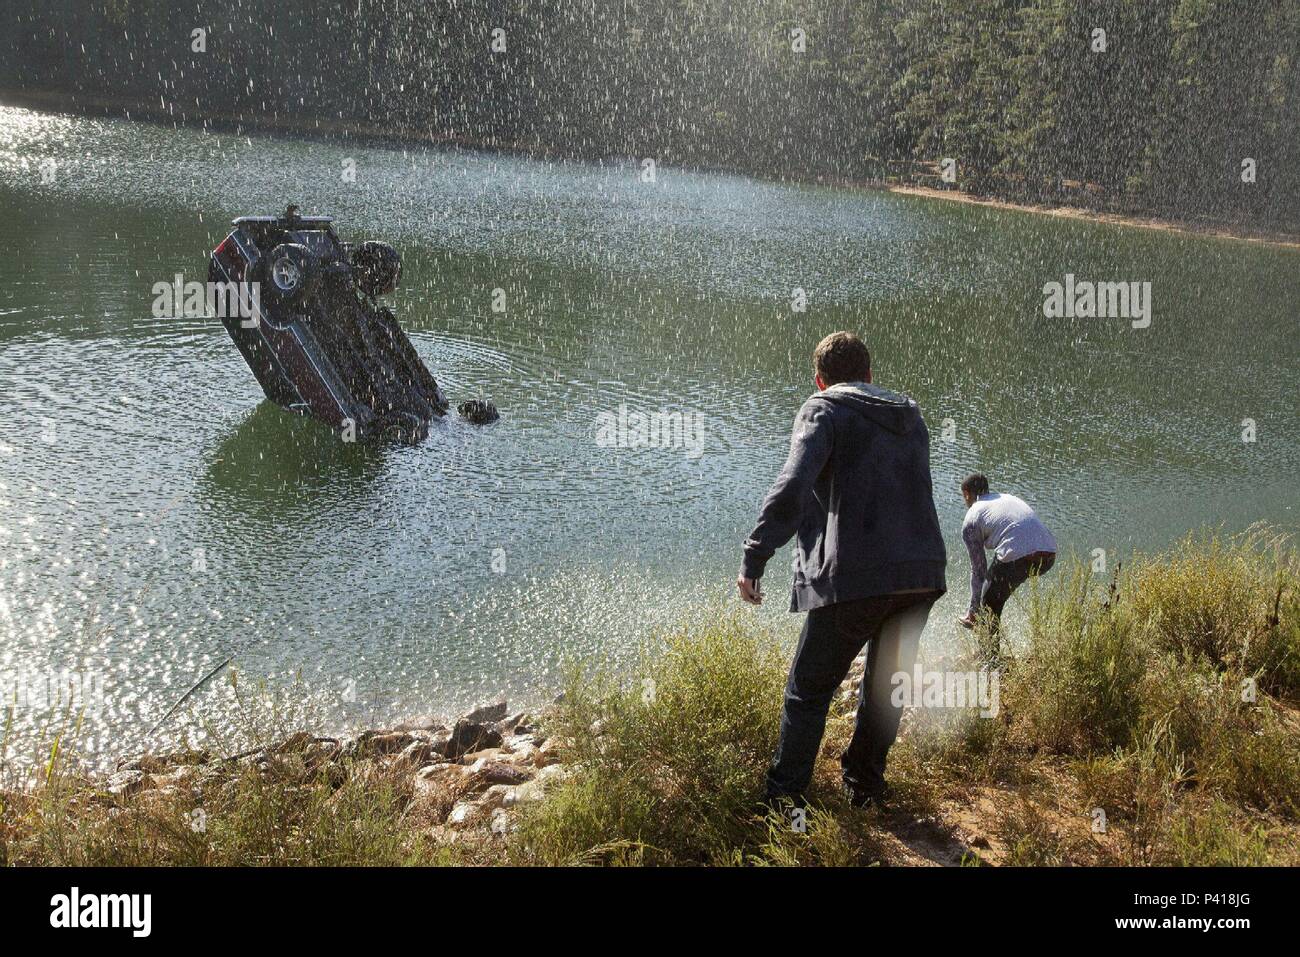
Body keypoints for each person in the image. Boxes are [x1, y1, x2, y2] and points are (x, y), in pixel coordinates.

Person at [737, 331, 947, 809]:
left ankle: (785, 801)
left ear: (819, 381)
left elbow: (793, 487)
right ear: (871, 375)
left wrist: (755, 555)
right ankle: (865, 784)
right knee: (887, 684)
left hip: (858, 575)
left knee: (807, 691)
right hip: (922, 573)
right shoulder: (909, 414)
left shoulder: (823, 408)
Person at [956, 474, 1057, 640]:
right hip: (1048, 554)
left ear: (966, 493)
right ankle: (992, 649)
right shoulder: (1007, 498)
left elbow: (978, 571)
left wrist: (973, 609)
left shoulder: (972, 517)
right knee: (996, 594)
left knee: (987, 603)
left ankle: (990, 659)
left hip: (1018, 554)